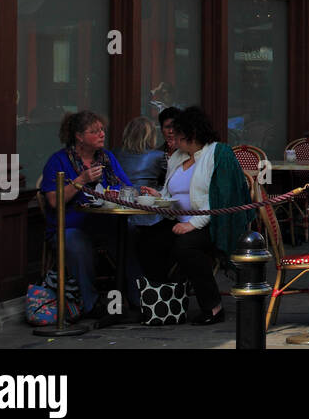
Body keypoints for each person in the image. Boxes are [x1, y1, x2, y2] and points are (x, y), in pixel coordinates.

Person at [138, 106, 252, 325]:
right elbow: (171, 192)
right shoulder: (178, 157)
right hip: (177, 220)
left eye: (179, 137)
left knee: (185, 246)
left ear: (192, 136)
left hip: (213, 223)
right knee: (146, 241)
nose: (175, 142)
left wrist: (193, 224)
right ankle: (168, 298)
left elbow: (222, 199)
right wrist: (158, 196)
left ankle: (213, 306)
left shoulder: (219, 153)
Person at [41, 111, 135, 321]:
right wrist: (81, 180)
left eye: (102, 129)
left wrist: (139, 192)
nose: (102, 134)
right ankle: (91, 305)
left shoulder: (107, 158)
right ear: (79, 136)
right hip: (69, 226)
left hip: (103, 222)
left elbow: (126, 187)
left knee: (127, 234)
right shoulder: (58, 161)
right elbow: (54, 201)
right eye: (94, 131)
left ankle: (136, 299)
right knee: (77, 244)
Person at [114, 115, 168, 230]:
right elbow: (170, 182)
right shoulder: (158, 156)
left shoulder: (115, 153)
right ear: (151, 136)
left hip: (119, 210)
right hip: (148, 213)